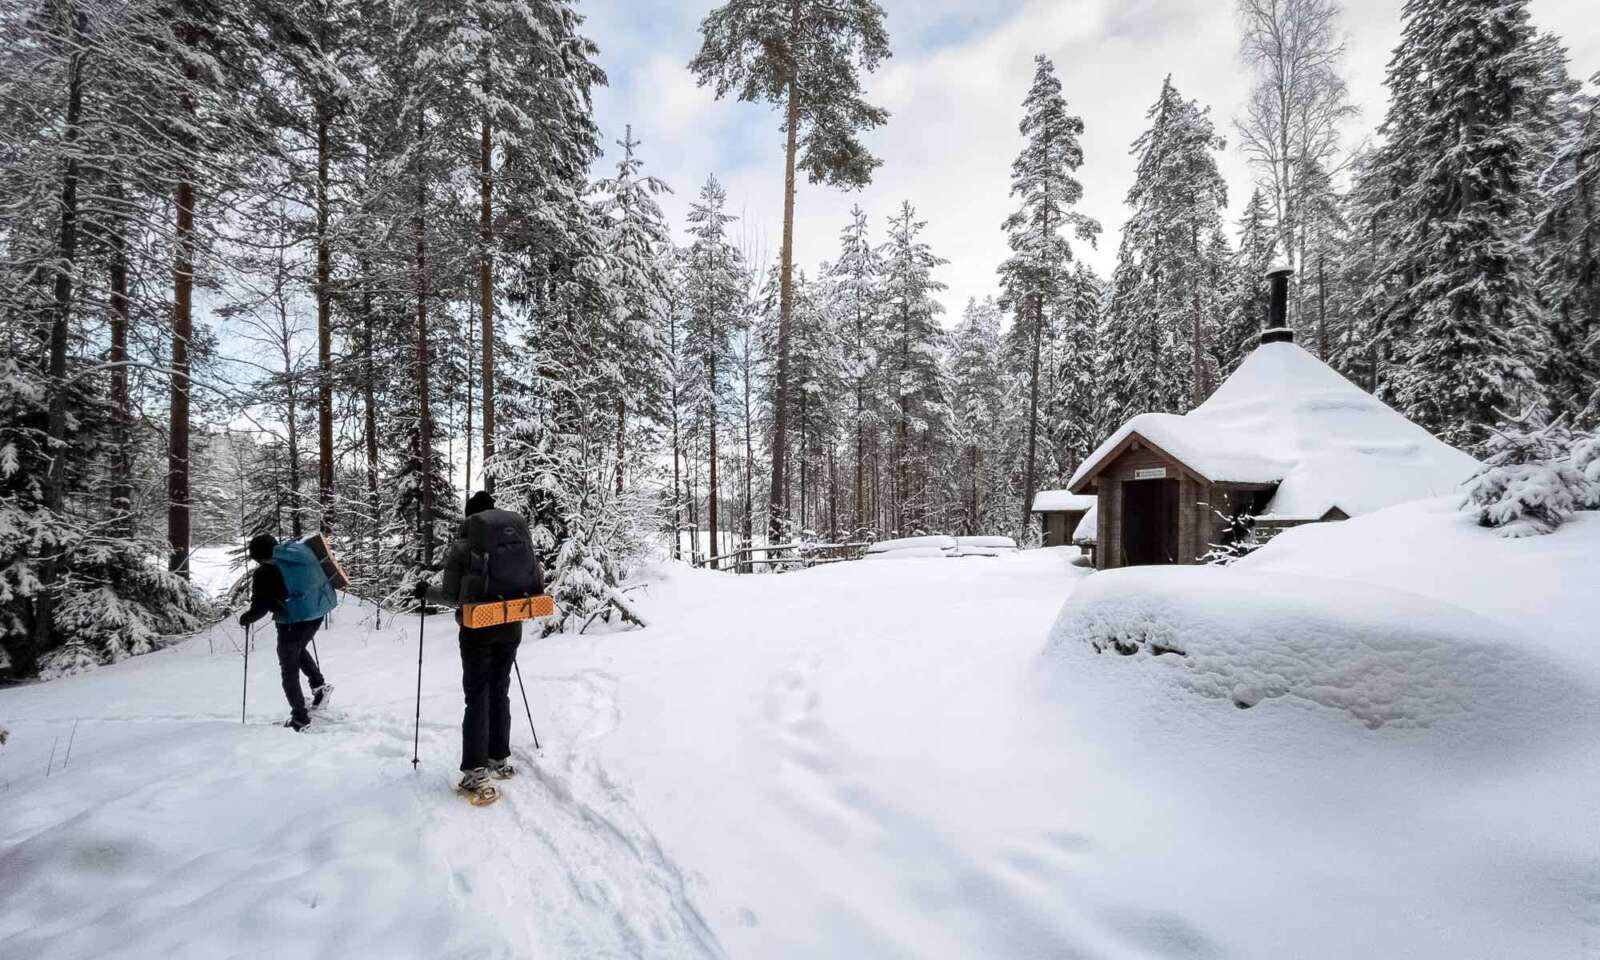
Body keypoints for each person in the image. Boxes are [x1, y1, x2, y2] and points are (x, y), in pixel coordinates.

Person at [415, 491, 543, 798]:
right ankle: (499, 757)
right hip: (511, 623)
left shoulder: (464, 545)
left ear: (470, 517)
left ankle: (475, 771)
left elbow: (451, 596)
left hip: (478, 627)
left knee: (477, 694)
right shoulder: (515, 539)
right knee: (500, 688)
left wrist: (424, 592)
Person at [240, 533, 333, 731]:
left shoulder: (264, 573)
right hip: (316, 613)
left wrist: (246, 618)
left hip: (292, 621)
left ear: (257, 556)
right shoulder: (296, 555)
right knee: (297, 650)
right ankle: (319, 688)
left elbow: (260, 608)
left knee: (288, 669)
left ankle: (300, 718)